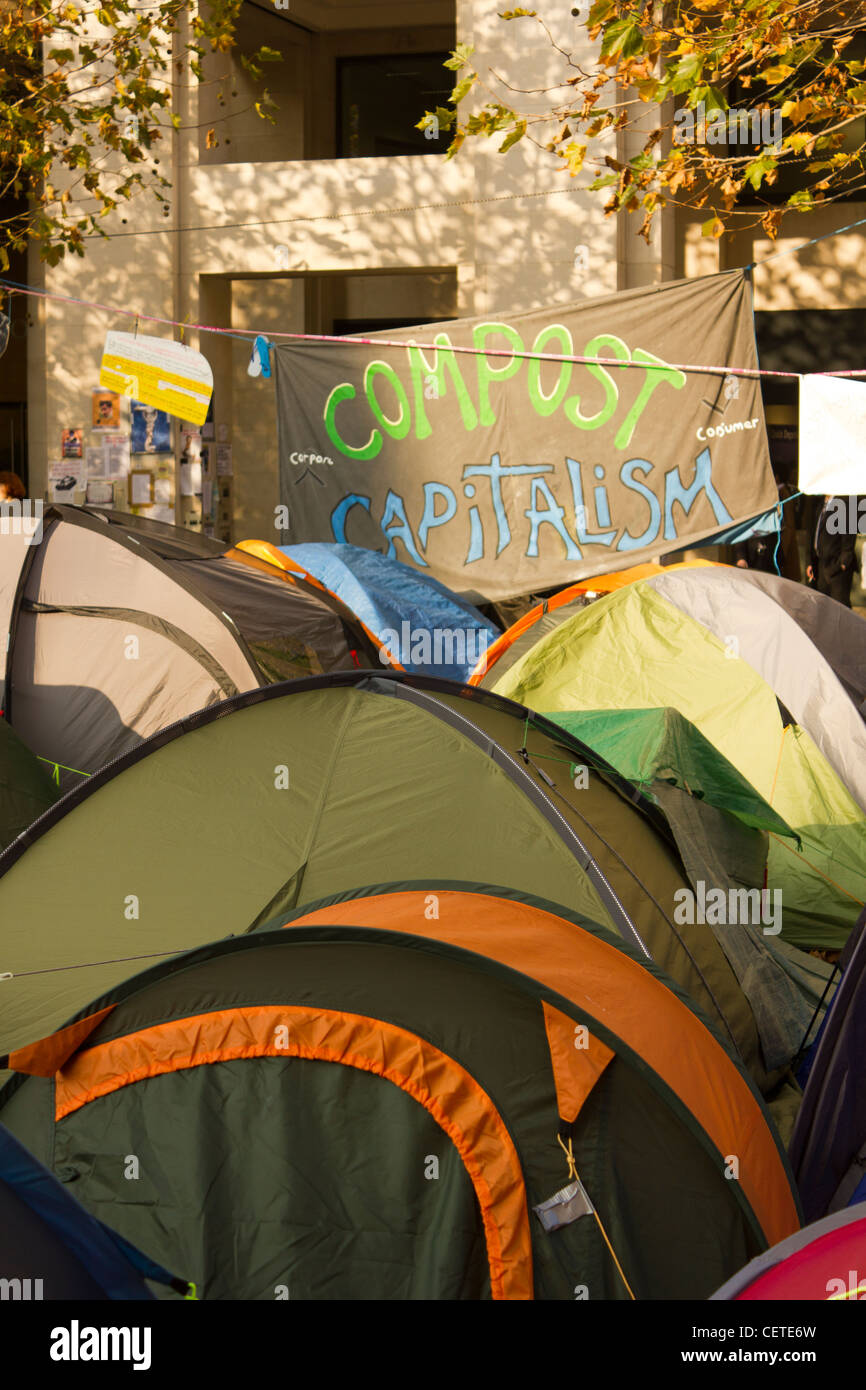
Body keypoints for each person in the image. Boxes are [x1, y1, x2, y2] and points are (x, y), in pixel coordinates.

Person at [807, 495, 857, 607]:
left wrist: (842, 564)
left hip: (837, 567)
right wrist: (811, 562)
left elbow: (849, 537)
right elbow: (813, 533)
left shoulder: (845, 503)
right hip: (820, 565)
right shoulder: (819, 504)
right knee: (824, 608)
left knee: (840, 609)